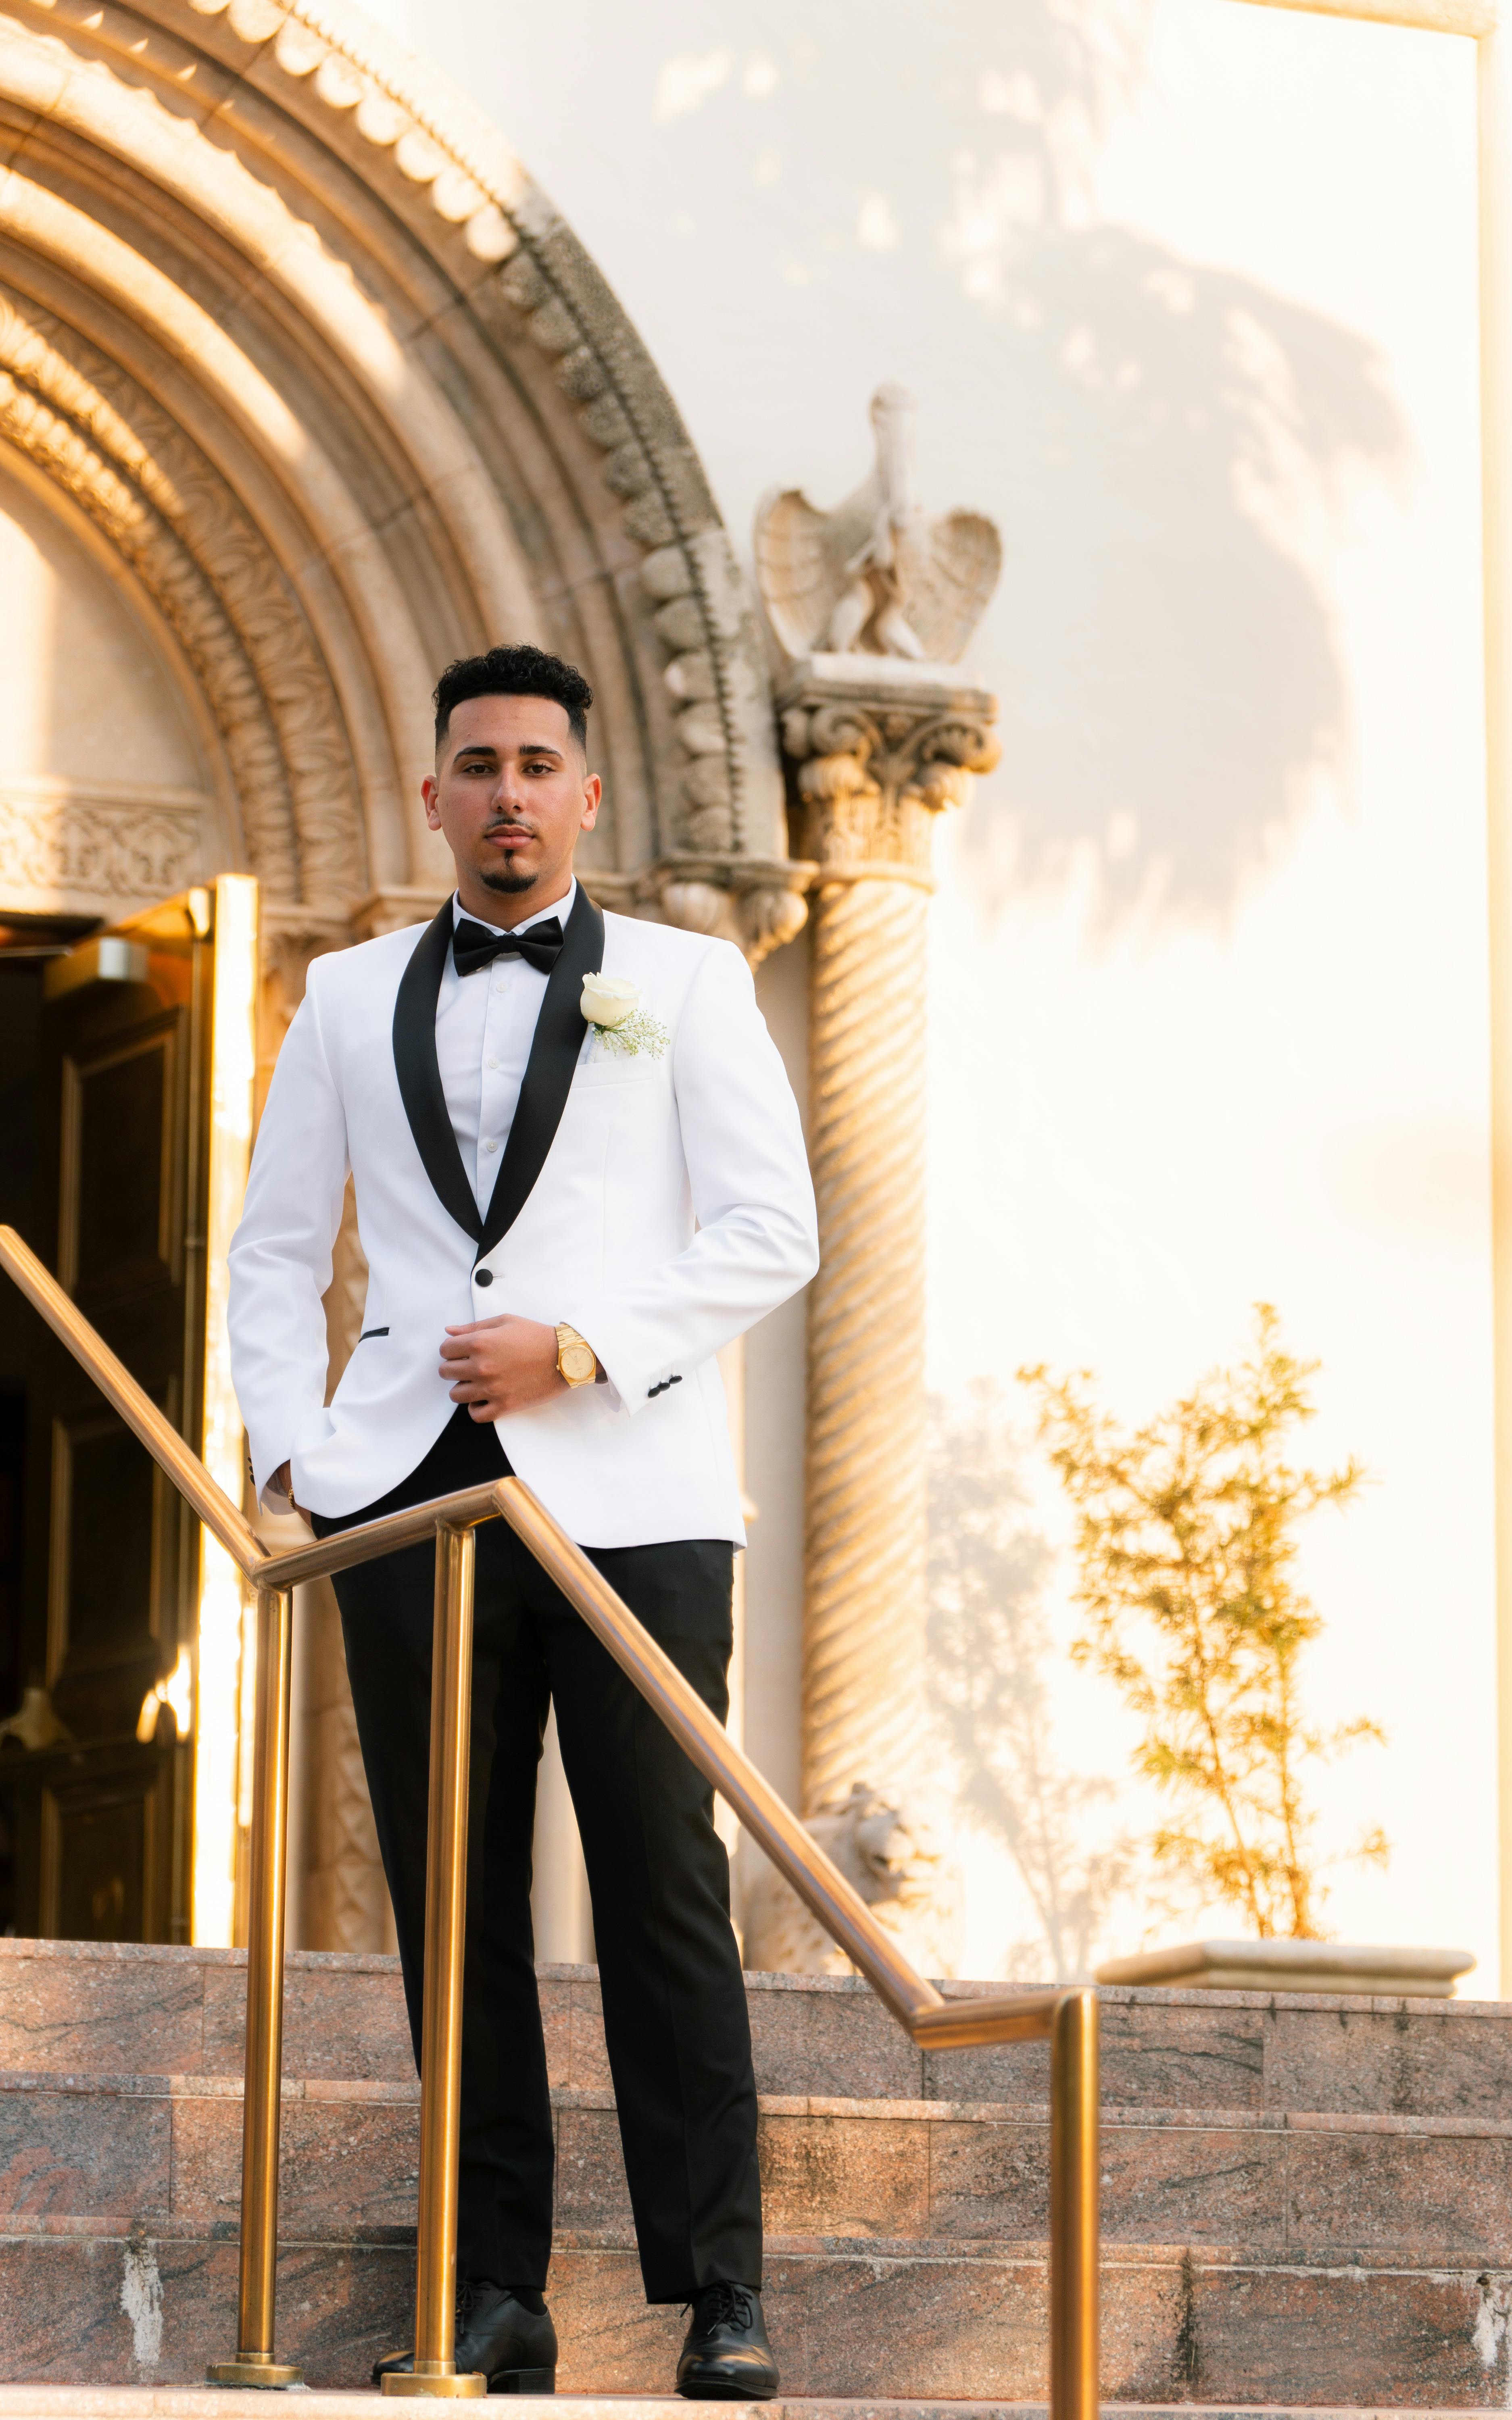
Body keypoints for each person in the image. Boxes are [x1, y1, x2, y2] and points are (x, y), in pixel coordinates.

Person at [227, 643, 818, 2399]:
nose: (504, 792)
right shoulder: (341, 999)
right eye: (474, 764)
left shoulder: (690, 983)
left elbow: (769, 1231)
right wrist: (299, 1455)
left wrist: (578, 1346)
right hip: (409, 1494)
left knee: (659, 1890)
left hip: (631, 1496)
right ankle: (496, 2291)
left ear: (585, 792)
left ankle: (719, 2290)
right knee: (453, 1899)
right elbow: (274, 1251)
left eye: (535, 763)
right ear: (432, 795)